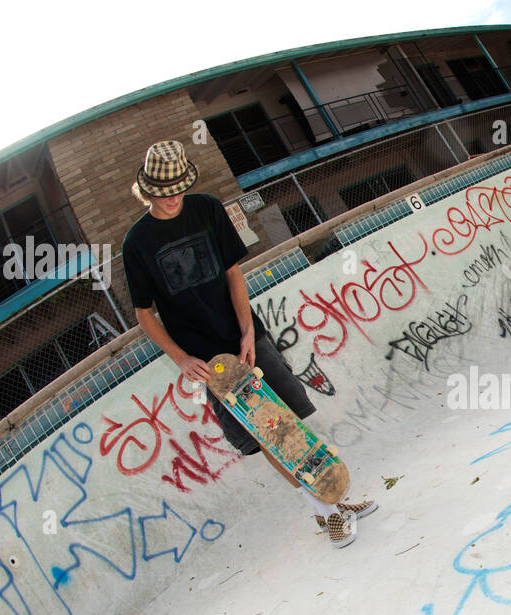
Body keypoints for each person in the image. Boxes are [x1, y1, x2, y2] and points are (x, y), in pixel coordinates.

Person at [121, 140, 374, 547]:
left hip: (246, 337)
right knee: (265, 431)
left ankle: (331, 499)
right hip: (210, 364)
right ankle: (326, 514)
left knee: (290, 421)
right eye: (163, 196)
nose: (172, 202)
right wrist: (182, 359)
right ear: (147, 191)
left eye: (178, 193)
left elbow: (233, 273)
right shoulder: (137, 242)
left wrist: (246, 333)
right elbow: (144, 313)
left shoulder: (206, 209)